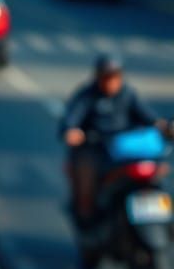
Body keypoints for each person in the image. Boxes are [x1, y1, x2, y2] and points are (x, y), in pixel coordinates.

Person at [60, 53, 167, 225]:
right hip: (96, 148)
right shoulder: (87, 96)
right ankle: (87, 218)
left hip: (123, 150)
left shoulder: (127, 94)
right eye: (106, 77)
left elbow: (147, 116)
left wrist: (162, 126)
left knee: (155, 172)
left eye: (115, 77)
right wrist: (71, 131)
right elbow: (71, 119)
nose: (111, 82)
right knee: (86, 178)